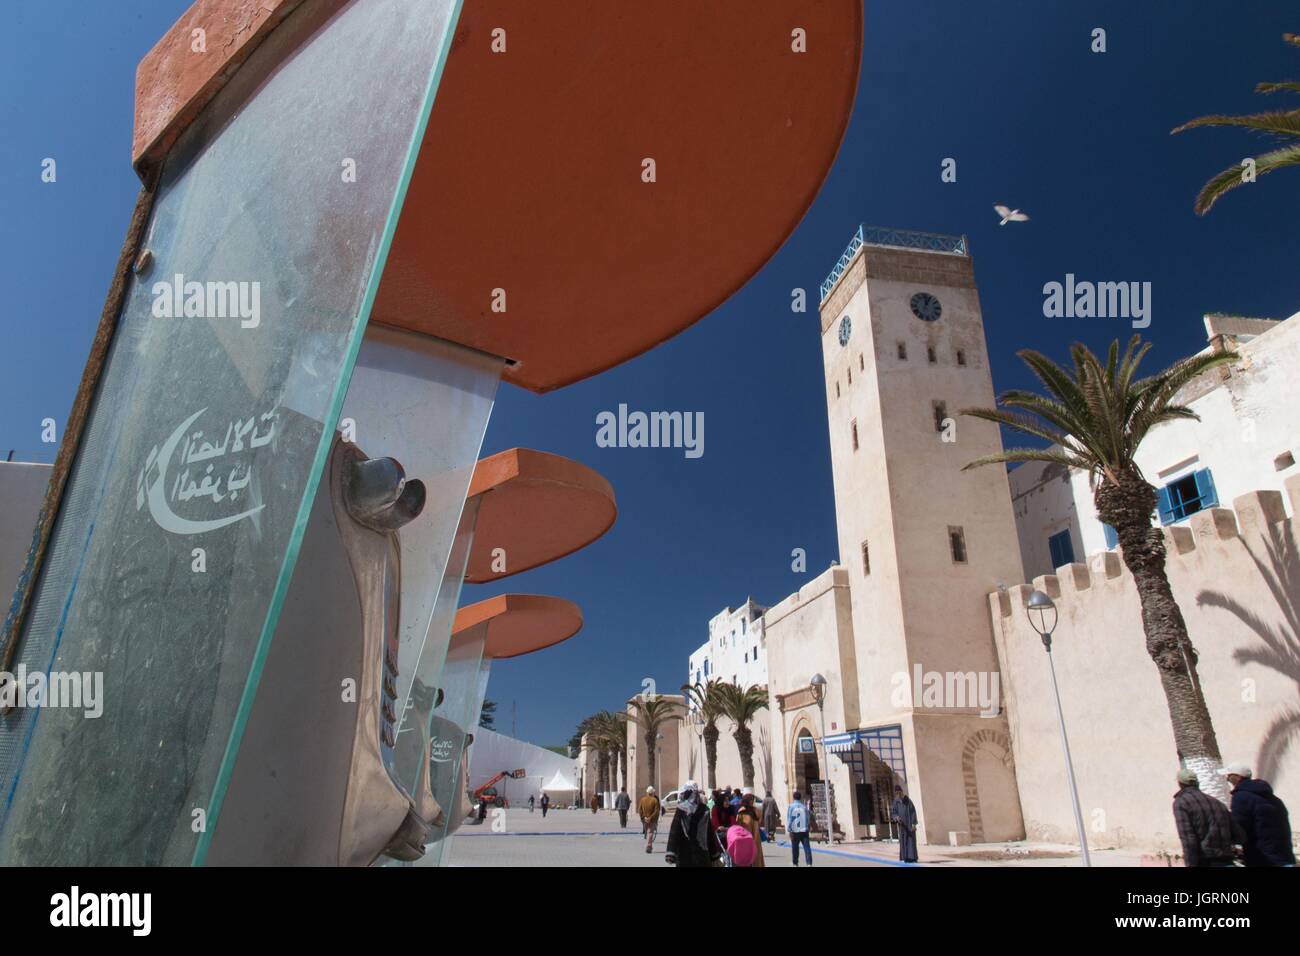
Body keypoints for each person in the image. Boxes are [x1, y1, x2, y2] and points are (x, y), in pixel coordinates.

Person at [1220, 762, 1296, 866]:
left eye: (1228, 776)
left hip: (1262, 857)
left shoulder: (1241, 797)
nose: (1227, 779)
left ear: (1236, 777)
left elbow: (1239, 826)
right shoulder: (1272, 797)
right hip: (1283, 853)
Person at [1172, 768, 1237, 867]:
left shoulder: (1182, 802)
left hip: (1205, 860)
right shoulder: (1217, 802)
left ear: (1180, 783)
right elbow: (1238, 834)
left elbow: (1188, 838)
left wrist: (1191, 863)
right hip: (1225, 859)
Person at [665, 780, 722, 867]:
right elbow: (675, 831)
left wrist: (671, 852)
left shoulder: (683, 810)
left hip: (692, 855)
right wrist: (714, 855)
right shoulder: (703, 810)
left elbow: (674, 832)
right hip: (696, 854)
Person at [733, 792, 765, 867]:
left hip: (756, 837)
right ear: (746, 800)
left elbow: (760, 821)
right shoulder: (741, 812)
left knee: (756, 857)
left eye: (752, 800)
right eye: (750, 800)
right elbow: (738, 824)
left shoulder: (756, 811)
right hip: (745, 838)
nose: (752, 801)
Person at [891, 785, 919, 863]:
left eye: (899, 792)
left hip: (910, 825)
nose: (898, 794)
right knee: (903, 841)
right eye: (896, 793)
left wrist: (914, 824)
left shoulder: (908, 801)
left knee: (911, 841)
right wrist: (896, 817)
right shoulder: (895, 802)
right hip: (902, 826)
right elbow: (893, 813)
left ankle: (913, 858)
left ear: (902, 791)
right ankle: (905, 858)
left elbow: (913, 812)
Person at [787, 791, 812, 866]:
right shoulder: (804, 807)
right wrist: (808, 826)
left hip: (795, 830)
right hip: (804, 830)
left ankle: (795, 863)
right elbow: (808, 818)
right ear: (800, 798)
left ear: (793, 797)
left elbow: (790, 818)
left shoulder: (791, 806)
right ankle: (809, 863)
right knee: (807, 847)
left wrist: (789, 829)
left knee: (795, 847)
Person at [638, 786, 662, 854]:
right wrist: (650, 818)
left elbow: (639, 810)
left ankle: (649, 846)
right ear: (652, 793)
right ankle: (649, 846)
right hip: (652, 820)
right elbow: (657, 811)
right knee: (651, 832)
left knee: (647, 831)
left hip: (645, 820)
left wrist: (644, 817)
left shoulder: (642, 799)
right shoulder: (655, 800)